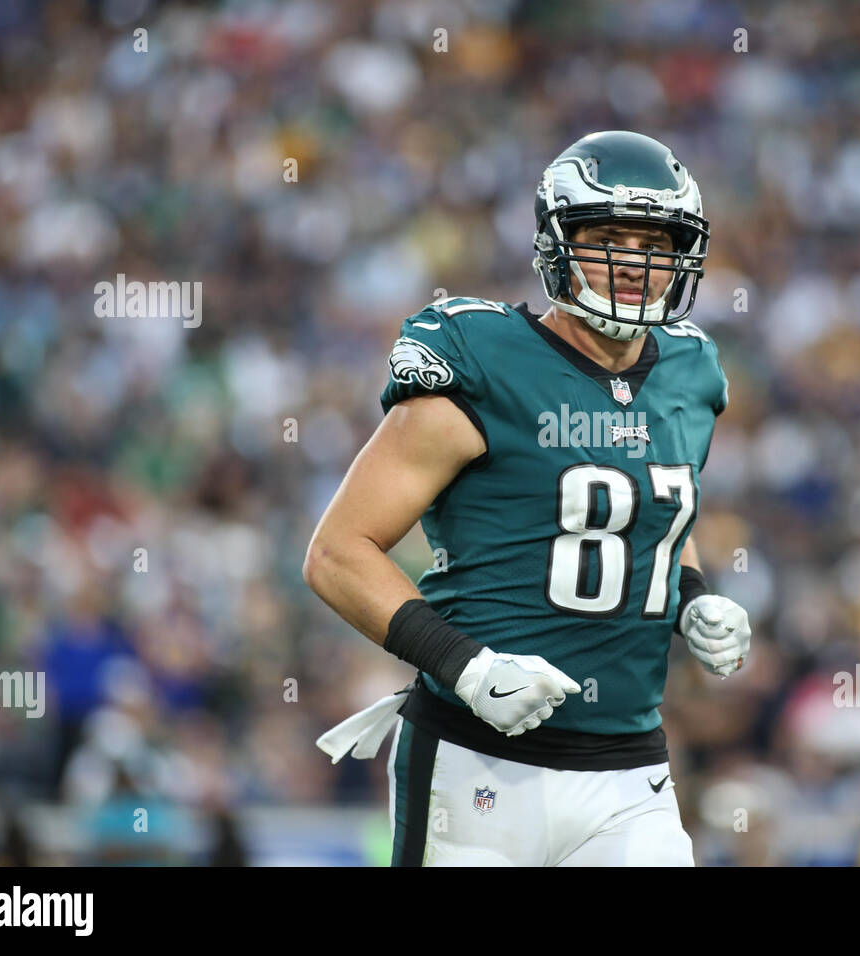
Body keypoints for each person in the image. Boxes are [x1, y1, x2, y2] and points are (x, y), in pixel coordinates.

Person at [306, 130, 751, 866]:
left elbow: (654, 509)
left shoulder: (690, 370)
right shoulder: (483, 359)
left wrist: (694, 593)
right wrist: (470, 667)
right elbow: (336, 553)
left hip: (629, 769)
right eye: (610, 237)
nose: (637, 263)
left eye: (656, 242)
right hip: (479, 761)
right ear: (558, 244)